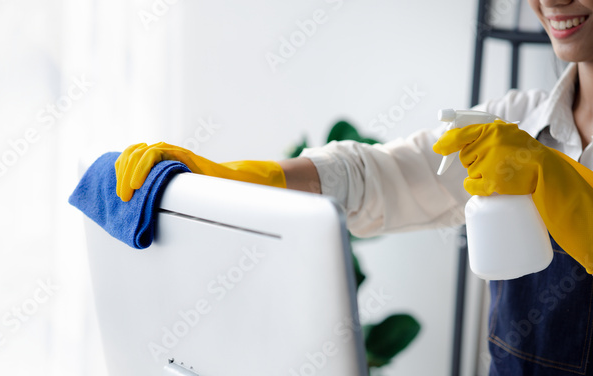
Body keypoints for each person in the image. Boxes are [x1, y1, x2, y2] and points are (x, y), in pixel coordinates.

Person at [114, 0, 593, 374]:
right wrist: (233, 177)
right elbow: (378, 175)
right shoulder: (516, 122)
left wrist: (561, 186)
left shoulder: (519, 143)